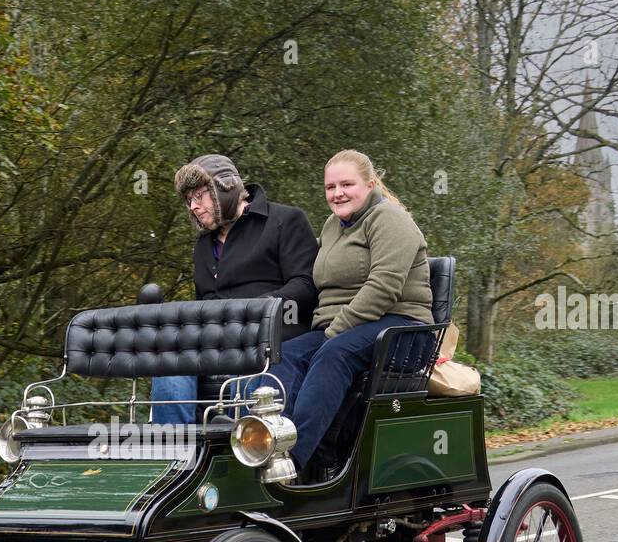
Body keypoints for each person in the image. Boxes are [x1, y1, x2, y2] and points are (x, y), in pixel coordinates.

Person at [269, 149, 434, 480]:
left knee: (333, 354)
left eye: (347, 184)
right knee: (283, 355)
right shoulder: (332, 226)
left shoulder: (390, 219)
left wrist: (334, 331)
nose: (337, 193)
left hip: (402, 329)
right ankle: (270, 445)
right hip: (346, 328)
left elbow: (383, 288)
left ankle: (292, 465)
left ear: (370, 184)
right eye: (330, 187)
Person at [148, 154, 318, 424]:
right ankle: (176, 452)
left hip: (269, 340)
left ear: (224, 187)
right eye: (188, 200)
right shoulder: (204, 245)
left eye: (199, 196)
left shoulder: (284, 221)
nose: (193, 206)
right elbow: (203, 300)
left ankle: (243, 451)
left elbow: (306, 285)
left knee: (252, 371)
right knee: (170, 360)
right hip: (215, 343)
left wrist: (259, 310)